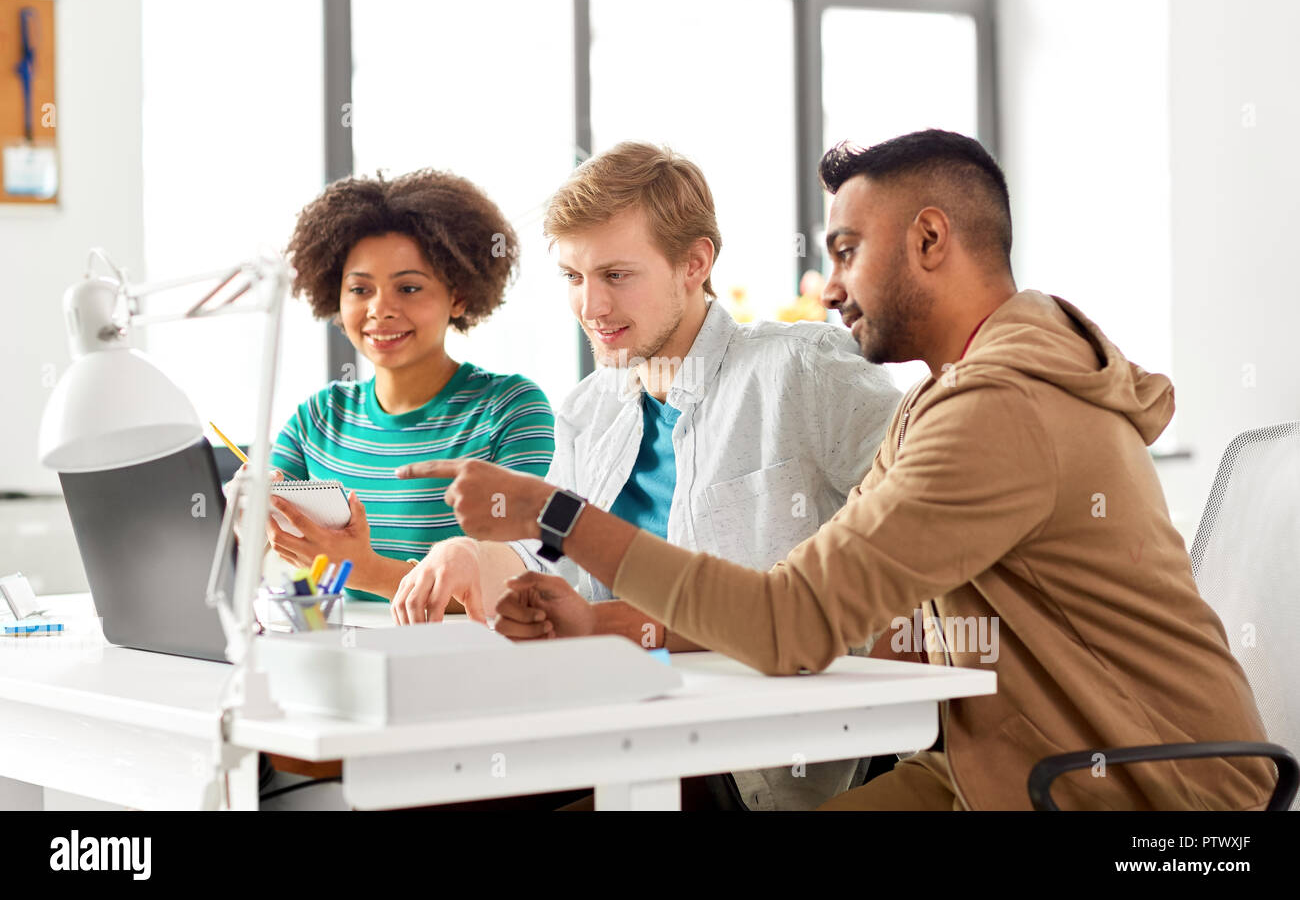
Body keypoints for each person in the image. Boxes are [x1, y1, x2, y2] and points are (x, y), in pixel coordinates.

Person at [404, 130, 1275, 810]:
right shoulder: (952, 401)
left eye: (848, 249)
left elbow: (792, 623)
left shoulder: (998, 412)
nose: (828, 283)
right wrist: (606, 619)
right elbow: (808, 605)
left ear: (930, 239)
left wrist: (555, 514)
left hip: (1157, 806)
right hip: (1008, 767)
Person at [393, 141, 900, 810]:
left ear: (695, 263)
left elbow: (917, 535)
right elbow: (556, 576)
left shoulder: (800, 371)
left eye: (616, 275)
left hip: (747, 760)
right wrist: (468, 556)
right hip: (611, 722)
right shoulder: (588, 410)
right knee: (416, 785)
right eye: (573, 277)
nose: (590, 305)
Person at [249, 169, 555, 607]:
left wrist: (365, 570)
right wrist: (252, 515)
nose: (381, 310)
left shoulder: (511, 410)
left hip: (462, 659)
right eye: (360, 288)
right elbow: (264, 555)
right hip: (342, 656)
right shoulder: (315, 420)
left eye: (408, 287)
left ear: (459, 297)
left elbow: (527, 573)